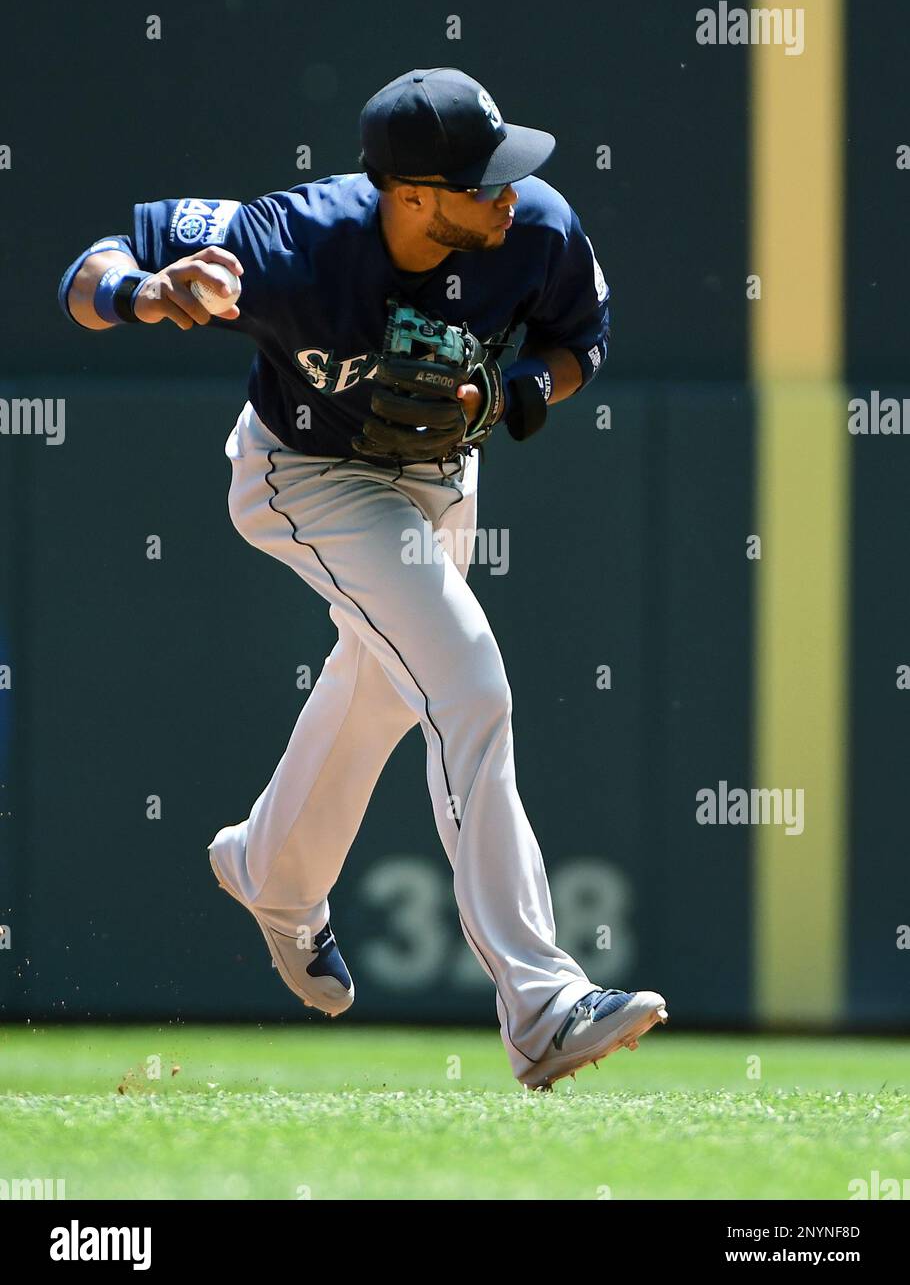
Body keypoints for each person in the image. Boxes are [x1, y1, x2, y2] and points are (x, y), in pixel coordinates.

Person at [57, 67, 667, 1090]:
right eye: (481, 180)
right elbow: (87, 271)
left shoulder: (537, 227)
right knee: (467, 683)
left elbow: (582, 343)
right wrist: (144, 290)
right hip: (307, 474)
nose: (506, 193)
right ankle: (544, 1000)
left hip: (438, 476)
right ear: (411, 194)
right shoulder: (292, 238)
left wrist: (511, 390)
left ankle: (270, 870)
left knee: (385, 686)